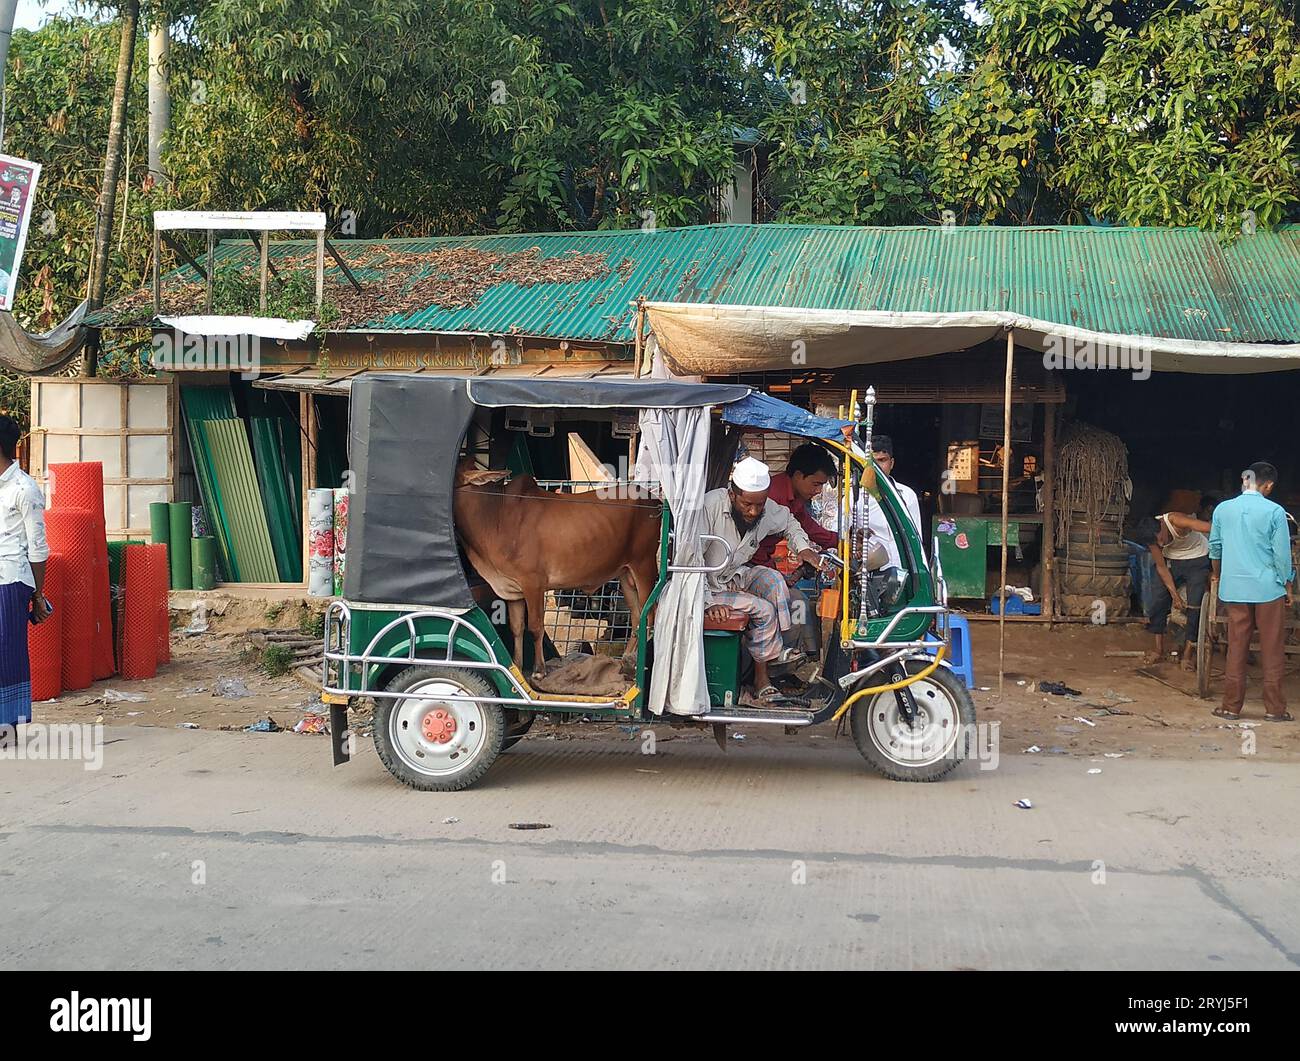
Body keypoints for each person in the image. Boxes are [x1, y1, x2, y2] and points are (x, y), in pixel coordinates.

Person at [701, 456, 827, 705]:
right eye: (747, 505)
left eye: (759, 505)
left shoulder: (765, 509)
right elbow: (690, 557)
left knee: (773, 581)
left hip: (735, 576)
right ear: (732, 495)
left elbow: (790, 522)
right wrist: (707, 603)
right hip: (705, 586)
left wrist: (802, 548)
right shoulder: (709, 505)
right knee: (763, 609)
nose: (753, 512)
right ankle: (762, 681)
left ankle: (778, 653)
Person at [1208, 461, 1295, 721]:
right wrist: (1287, 583)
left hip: (1234, 587)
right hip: (1268, 588)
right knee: (1272, 647)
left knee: (1236, 647)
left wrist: (1218, 575)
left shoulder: (1223, 510)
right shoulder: (1275, 512)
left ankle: (1230, 707)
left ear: (1245, 481)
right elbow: (1282, 555)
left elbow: (1215, 548)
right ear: (1268, 485)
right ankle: (1275, 710)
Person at [0, 415, 51, 734]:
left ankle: (8, 722)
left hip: (11, 579)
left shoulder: (24, 489)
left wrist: (38, 595)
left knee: (7, 649)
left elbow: (38, 548)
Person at [1134, 511, 1212, 668]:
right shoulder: (1152, 538)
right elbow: (1162, 568)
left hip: (1197, 558)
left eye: (1161, 538)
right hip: (1173, 561)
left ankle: (1188, 655)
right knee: (1158, 599)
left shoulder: (1175, 520)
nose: (1161, 543)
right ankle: (1158, 649)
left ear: (1162, 526)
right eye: (1157, 542)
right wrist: (1174, 595)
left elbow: (1209, 527)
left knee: (1194, 605)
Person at [751, 442, 839, 568]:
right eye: (816, 484)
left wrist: (843, 542)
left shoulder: (795, 498)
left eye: (822, 485)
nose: (819, 490)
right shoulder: (774, 496)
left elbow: (810, 529)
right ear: (798, 475)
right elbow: (753, 545)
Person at [871, 434, 923, 537]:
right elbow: (840, 536)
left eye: (882, 460)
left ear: (892, 463)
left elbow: (915, 536)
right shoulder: (854, 496)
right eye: (872, 462)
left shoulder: (908, 495)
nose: (877, 467)